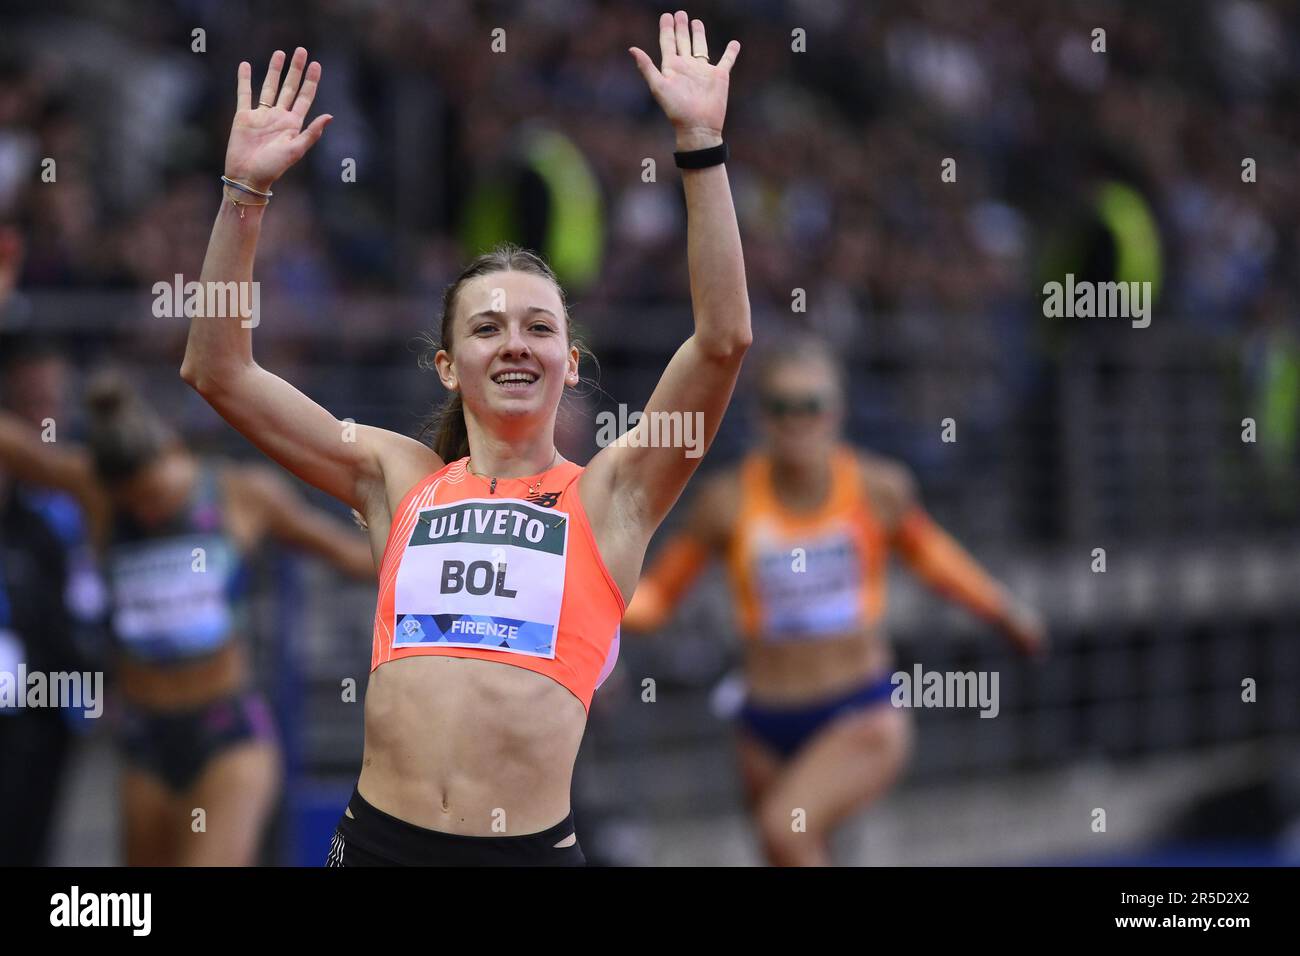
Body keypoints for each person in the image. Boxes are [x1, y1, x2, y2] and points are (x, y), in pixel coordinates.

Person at [181, 11, 747, 866]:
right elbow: (218, 370)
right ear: (448, 366)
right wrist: (244, 194)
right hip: (376, 844)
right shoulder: (395, 477)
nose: (514, 341)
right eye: (487, 328)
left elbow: (722, 341)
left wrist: (700, 146)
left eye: (537, 326)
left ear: (571, 360)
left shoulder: (613, 494)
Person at [622, 336, 1047, 866]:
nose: (796, 421)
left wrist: (1004, 612)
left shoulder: (877, 488)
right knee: (788, 852)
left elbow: (937, 560)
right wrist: (592, 600)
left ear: (836, 413)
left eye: (811, 407)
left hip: (859, 713)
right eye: (781, 407)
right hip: (762, 723)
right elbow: (660, 596)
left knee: (786, 832)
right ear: (760, 416)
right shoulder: (725, 502)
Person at [0, 370, 375, 865]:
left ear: (174, 449)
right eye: (134, 503)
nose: (148, 514)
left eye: (156, 495)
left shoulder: (241, 493)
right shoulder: (94, 490)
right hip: (144, 740)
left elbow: (346, 554)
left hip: (226, 732)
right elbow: (24, 452)